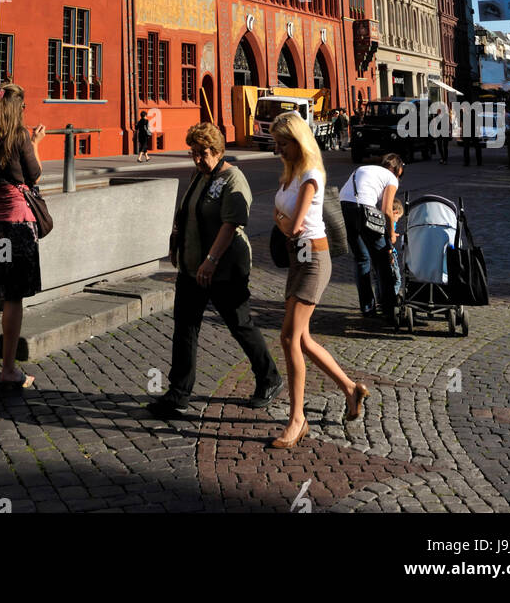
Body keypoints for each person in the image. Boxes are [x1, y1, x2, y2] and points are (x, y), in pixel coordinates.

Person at [150, 122, 281, 420]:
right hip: (191, 268)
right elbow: (187, 213)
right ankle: (178, 395)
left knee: (240, 324)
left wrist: (210, 259)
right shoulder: (200, 175)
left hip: (223, 269)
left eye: (203, 153)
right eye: (193, 152)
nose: (197, 158)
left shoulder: (233, 178)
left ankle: (269, 377)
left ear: (219, 151)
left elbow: (231, 223)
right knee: (184, 328)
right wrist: (177, 246)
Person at [270, 113, 368, 448]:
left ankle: (297, 420)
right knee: (302, 339)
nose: (278, 149)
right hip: (299, 258)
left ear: (299, 142)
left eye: (283, 144)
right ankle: (351, 389)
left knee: (288, 339)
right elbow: (282, 219)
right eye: (277, 143)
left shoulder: (310, 175)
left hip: (312, 257)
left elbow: (294, 225)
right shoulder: (292, 173)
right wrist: (282, 220)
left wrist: (282, 220)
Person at [0, 83, 45, 387]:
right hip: (17, 226)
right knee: (13, 297)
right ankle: (9, 369)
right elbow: (35, 174)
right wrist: (37, 142)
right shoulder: (20, 137)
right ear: (17, 109)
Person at [338, 154, 403, 317]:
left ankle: (367, 308)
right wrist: (391, 235)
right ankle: (389, 309)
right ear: (399, 170)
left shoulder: (363, 169)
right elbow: (387, 210)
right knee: (382, 260)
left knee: (362, 259)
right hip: (364, 209)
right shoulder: (391, 178)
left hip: (344, 207)